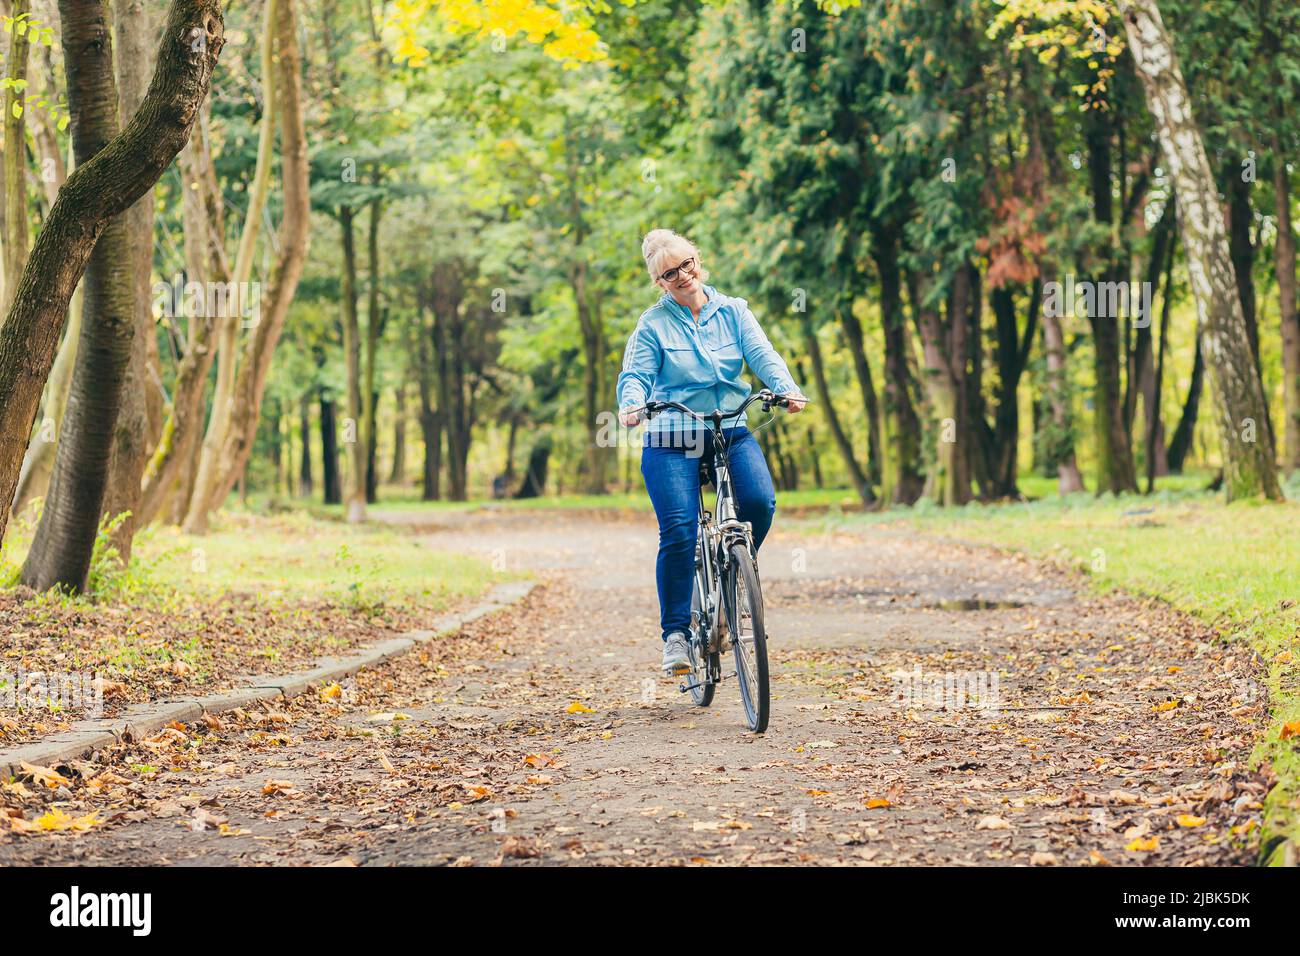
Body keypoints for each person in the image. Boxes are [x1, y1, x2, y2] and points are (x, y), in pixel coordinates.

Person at [616, 229, 807, 675]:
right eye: (670, 273)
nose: (683, 276)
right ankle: (677, 636)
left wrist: (785, 388)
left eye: (687, 265)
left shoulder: (735, 312)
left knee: (760, 502)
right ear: (659, 282)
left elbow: (763, 355)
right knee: (680, 531)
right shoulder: (652, 325)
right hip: (673, 436)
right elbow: (636, 375)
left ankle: (735, 576)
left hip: (729, 426)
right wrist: (630, 403)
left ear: (698, 261)